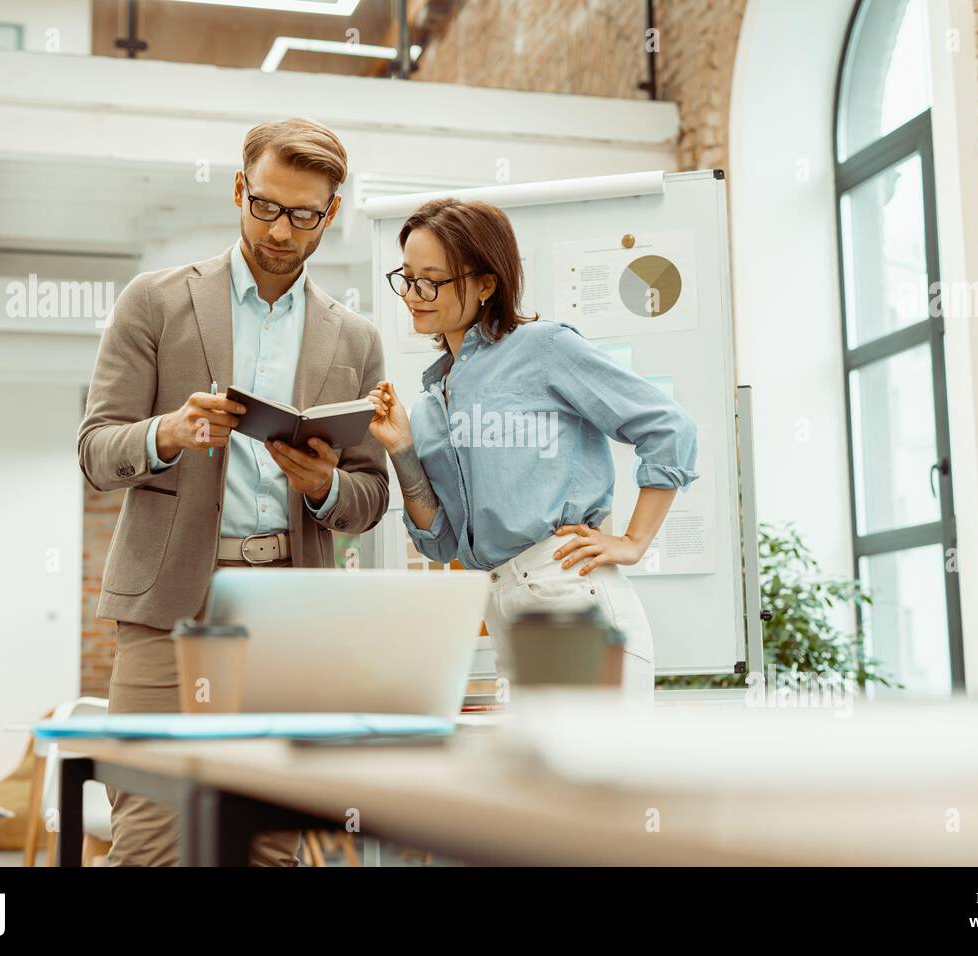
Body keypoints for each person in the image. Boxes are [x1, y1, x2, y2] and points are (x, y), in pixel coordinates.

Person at [77, 118, 388, 866]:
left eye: (303, 215)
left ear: (332, 213)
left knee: (269, 849)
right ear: (239, 189)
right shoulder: (154, 302)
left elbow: (371, 495)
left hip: (290, 607)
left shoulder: (356, 339)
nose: (281, 230)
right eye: (266, 206)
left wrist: (323, 489)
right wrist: (168, 434)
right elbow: (95, 451)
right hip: (169, 605)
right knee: (150, 843)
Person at [366, 197, 698, 699]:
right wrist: (403, 449)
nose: (415, 294)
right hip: (507, 616)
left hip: (571, 600)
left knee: (594, 775)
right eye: (408, 277)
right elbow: (440, 542)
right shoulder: (432, 403)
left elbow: (669, 427)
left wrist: (632, 542)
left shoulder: (544, 348)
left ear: (485, 282)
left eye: (433, 279)